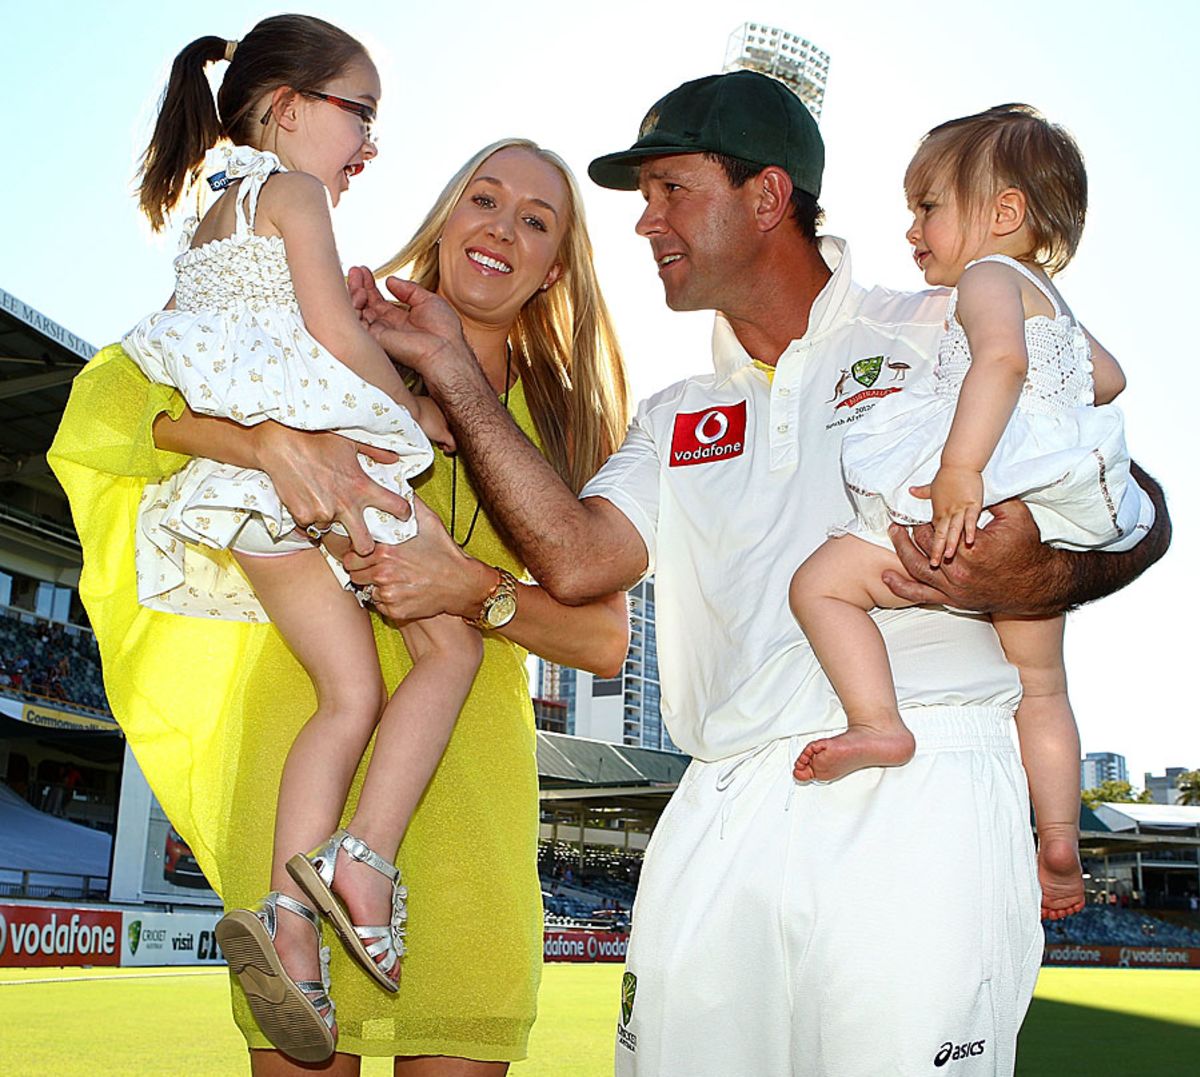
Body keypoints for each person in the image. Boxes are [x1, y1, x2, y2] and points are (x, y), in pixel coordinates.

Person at [350, 71, 1170, 1076]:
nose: (646, 222)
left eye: (671, 189)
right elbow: (575, 557)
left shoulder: (941, 320)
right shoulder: (673, 411)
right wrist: (461, 378)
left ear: (768, 197)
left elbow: (1132, 499)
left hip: (922, 781)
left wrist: (1027, 574)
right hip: (724, 797)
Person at [49, 133, 631, 1074]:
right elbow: (106, 411)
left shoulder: (573, 419)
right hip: (300, 774)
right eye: (483, 200)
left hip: (471, 793)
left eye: (536, 220)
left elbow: (607, 641)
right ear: (446, 218)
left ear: (556, 265)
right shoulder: (322, 327)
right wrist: (267, 442)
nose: (502, 230)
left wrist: (475, 592)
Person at [120, 17, 487, 1061]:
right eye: (359, 112)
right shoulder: (295, 194)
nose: (369, 142)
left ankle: (291, 933)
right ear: (285, 106)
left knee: (347, 693)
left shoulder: (207, 215)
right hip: (325, 463)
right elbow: (330, 332)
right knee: (451, 644)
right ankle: (363, 863)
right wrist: (413, 413)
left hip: (243, 489)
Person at [788, 105, 1153, 922]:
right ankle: (1057, 831)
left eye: (928, 205)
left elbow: (1000, 358)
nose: (912, 224)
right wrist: (1049, 413)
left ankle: (878, 721)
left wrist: (962, 464)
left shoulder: (987, 279)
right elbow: (1112, 378)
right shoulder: (1049, 297)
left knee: (819, 587)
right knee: (1042, 684)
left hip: (972, 492)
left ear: (1004, 214)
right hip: (1046, 512)